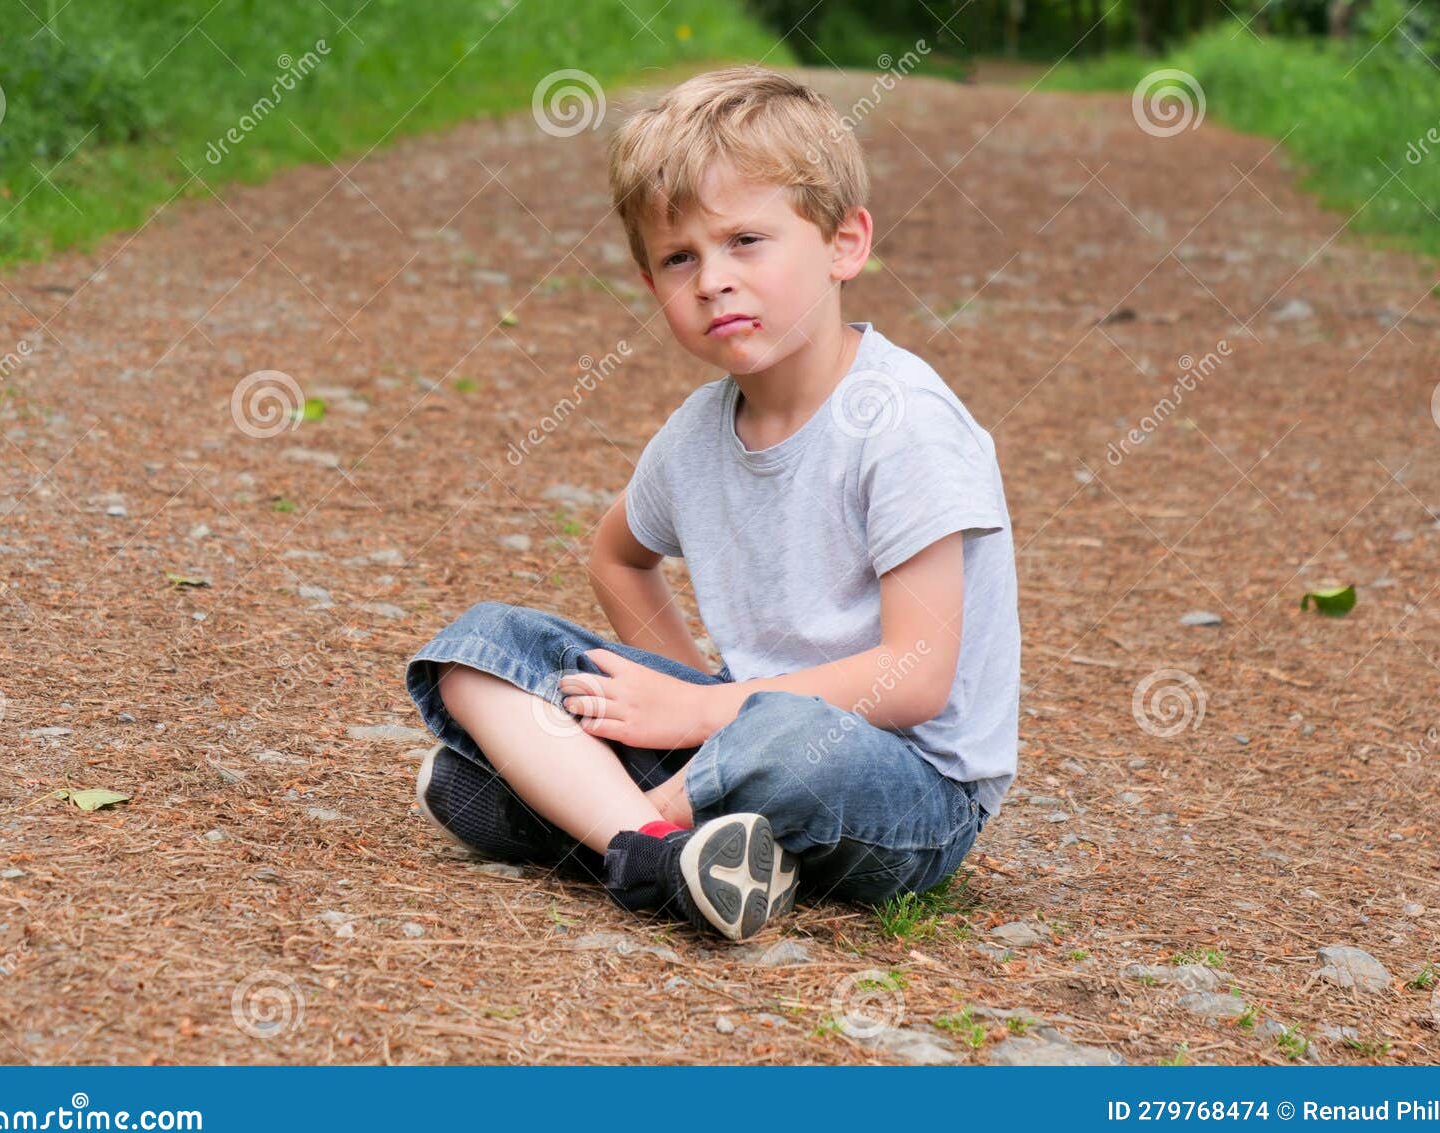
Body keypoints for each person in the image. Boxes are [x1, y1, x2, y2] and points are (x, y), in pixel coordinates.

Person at [407, 66, 1019, 942]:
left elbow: (915, 676)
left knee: (790, 746)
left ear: (845, 244)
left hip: (906, 788)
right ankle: (665, 848)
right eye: (678, 258)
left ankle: (586, 825)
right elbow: (616, 553)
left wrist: (699, 715)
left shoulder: (903, 423)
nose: (712, 281)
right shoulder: (697, 435)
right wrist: (675, 690)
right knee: (480, 647)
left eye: (746, 241)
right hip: (732, 733)